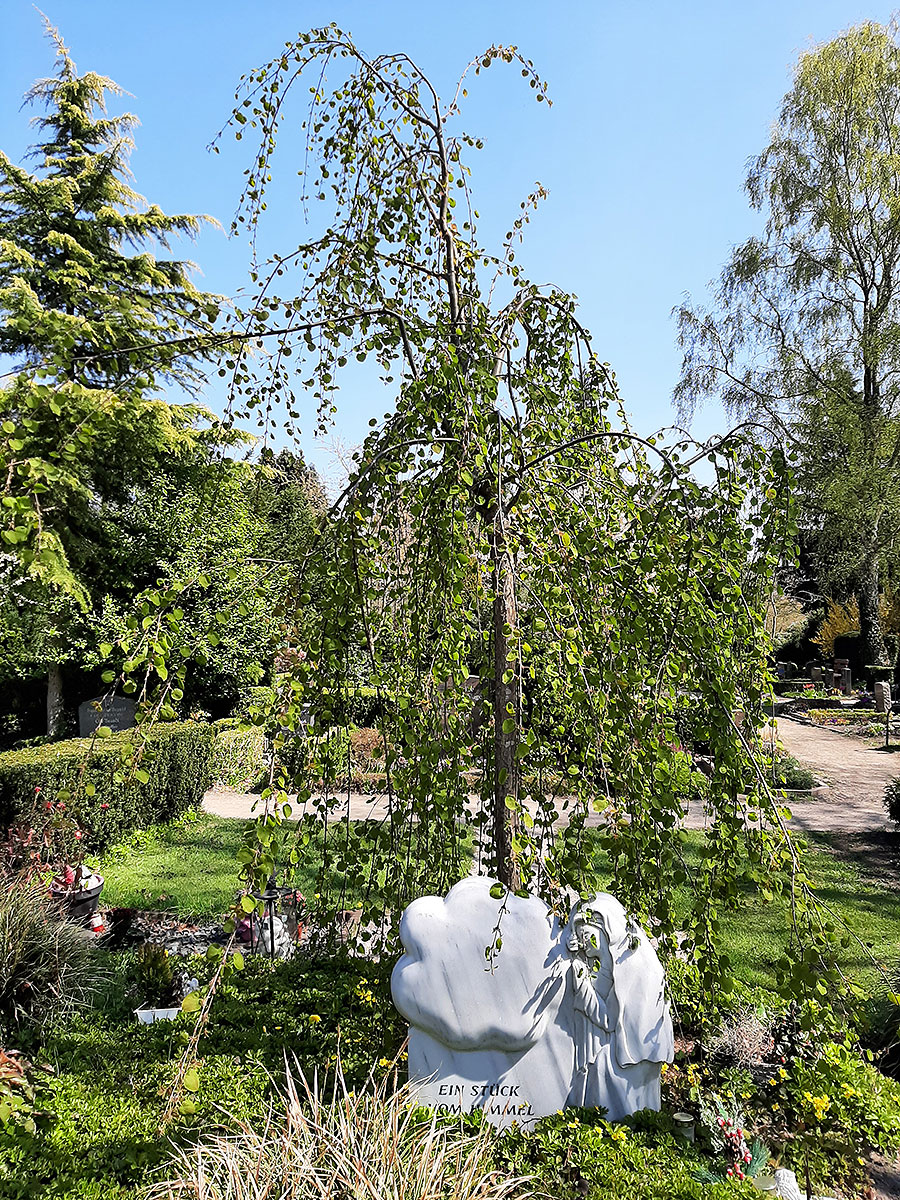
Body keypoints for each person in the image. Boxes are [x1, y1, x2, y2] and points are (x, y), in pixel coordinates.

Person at [566, 894, 674, 1119]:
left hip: (632, 1061)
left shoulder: (629, 971)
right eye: (580, 936)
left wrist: (583, 984)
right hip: (624, 1049)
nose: (583, 942)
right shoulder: (609, 963)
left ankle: (612, 1127)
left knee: (601, 1067)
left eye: (586, 935)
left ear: (606, 930)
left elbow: (608, 1020)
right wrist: (575, 955)